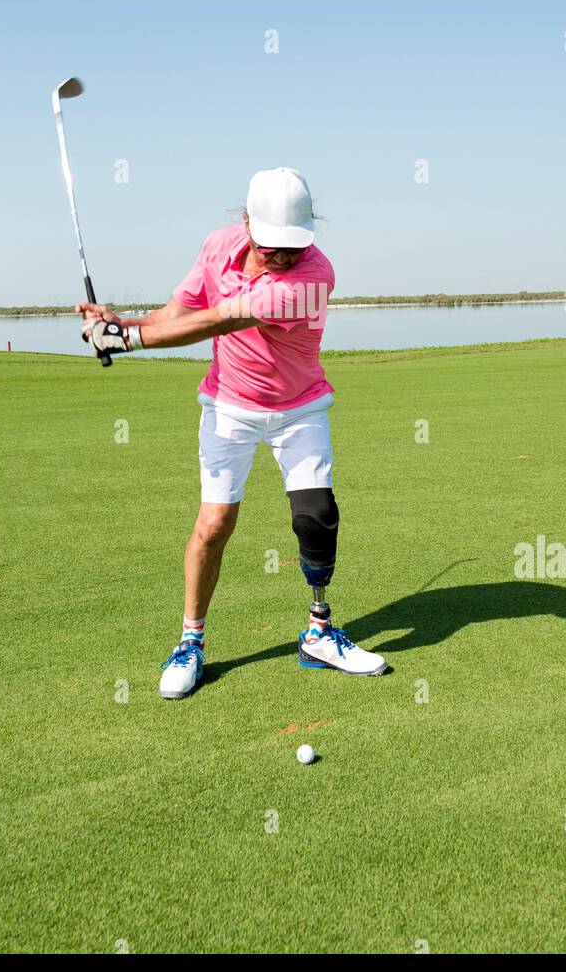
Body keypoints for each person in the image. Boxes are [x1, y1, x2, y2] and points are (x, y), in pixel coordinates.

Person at [76, 166, 386, 698]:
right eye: (271, 247)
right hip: (229, 407)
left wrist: (125, 341)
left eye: (292, 246)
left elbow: (220, 320)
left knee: (316, 516)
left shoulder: (313, 278)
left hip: (300, 408)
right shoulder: (218, 247)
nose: (283, 256)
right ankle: (190, 642)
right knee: (215, 522)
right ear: (247, 222)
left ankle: (318, 630)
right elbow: (179, 312)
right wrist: (124, 322)